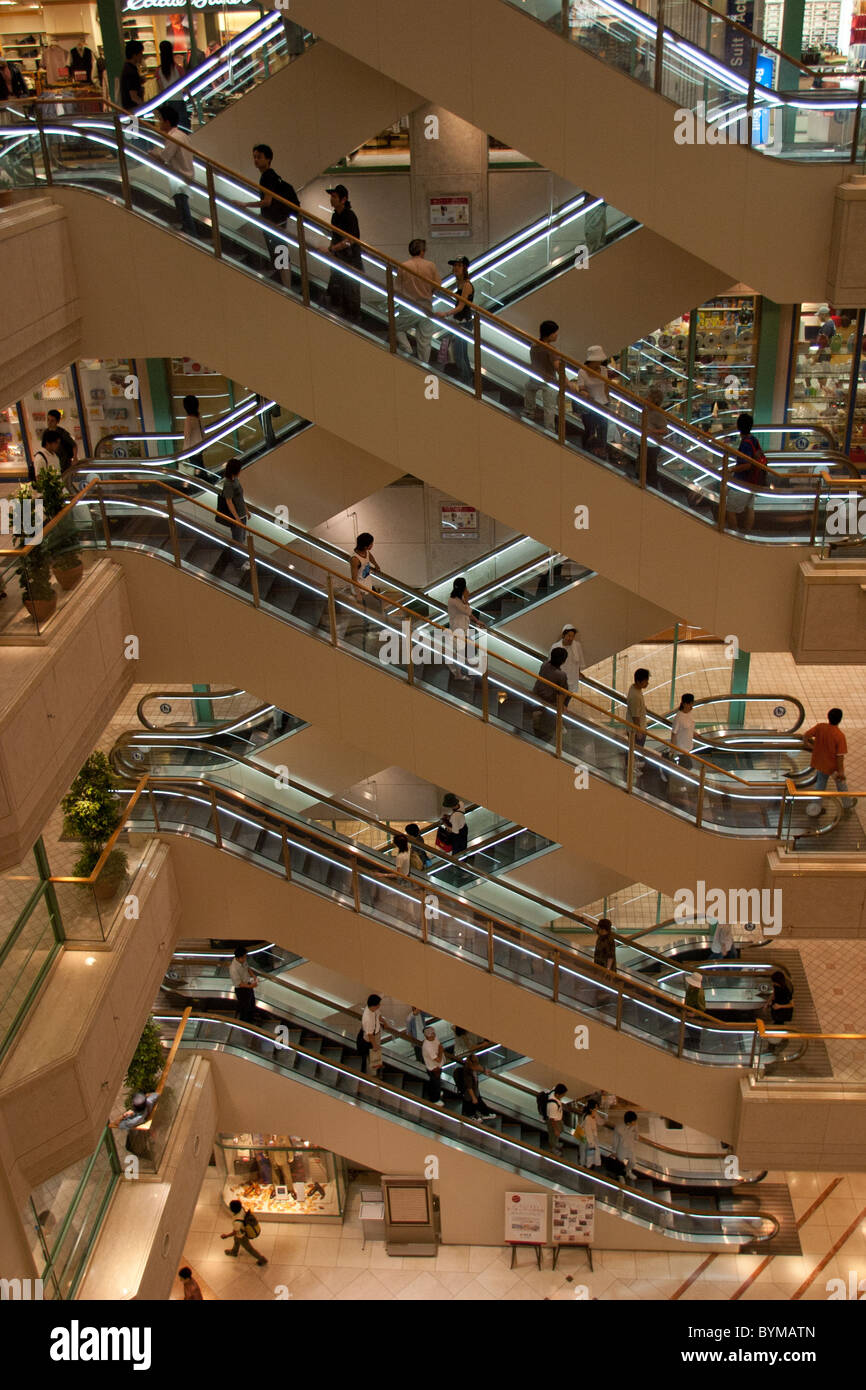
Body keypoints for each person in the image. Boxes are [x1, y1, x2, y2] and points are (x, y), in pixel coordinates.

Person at [242, 145, 298, 287]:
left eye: (259, 157)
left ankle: (286, 286)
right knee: (281, 252)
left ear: (268, 159)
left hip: (274, 223)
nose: (256, 160)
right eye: (254, 156)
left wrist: (245, 204)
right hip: (278, 221)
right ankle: (286, 284)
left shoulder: (267, 177)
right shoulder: (272, 176)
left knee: (280, 254)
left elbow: (267, 202)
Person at [395, 238, 440, 362]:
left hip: (408, 306)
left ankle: (407, 349)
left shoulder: (404, 266)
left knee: (397, 328)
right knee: (425, 340)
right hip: (426, 307)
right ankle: (424, 365)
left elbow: (397, 288)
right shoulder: (430, 266)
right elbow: (437, 285)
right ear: (422, 251)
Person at [803, 707, 854, 815]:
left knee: (820, 785)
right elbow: (840, 756)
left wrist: (809, 745)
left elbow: (806, 735)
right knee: (841, 785)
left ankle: (814, 809)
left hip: (821, 763)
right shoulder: (839, 736)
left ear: (828, 717)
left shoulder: (820, 727)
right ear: (840, 720)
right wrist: (840, 772)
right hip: (833, 767)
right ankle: (847, 804)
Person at [156, 104, 196, 237]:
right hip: (186, 175)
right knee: (183, 207)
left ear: (167, 122)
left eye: (161, 120)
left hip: (179, 177)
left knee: (183, 209)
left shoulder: (173, 137)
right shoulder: (182, 135)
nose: (159, 123)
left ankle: (190, 234)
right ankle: (189, 232)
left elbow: (165, 157)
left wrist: (152, 154)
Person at [326, 183, 362, 322]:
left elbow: (351, 240)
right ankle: (345, 313)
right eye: (331, 196)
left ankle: (353, 316)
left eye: (334, 196)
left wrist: (332, 249)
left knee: (351, 289)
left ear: (343, 199)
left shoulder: (349, 216)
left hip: (351, 259)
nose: (331, 199)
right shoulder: (335, 216)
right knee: (341, 287)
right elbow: (335, 237)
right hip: (340, 258)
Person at [725, 412, 766, 532]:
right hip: (753, 480)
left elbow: (747, 465)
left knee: (730, 509)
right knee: (750, 508)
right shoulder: (753, 440)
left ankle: (734, 533)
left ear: (738, 426)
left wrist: (731, 469)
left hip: (742, 482)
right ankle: (747, 531)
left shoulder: (745, 444)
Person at [524, 319, 561, 432]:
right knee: (549, 408)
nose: (556, 335)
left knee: (529, 388)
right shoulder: (551, 350)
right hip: (549, 381)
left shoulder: (534, 346)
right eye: (555, 333)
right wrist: (567, 382)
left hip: (534, 379)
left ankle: (528, 413)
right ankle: (550, 430)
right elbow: (557, 367)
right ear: (549, 335)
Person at [443, 258, 475, 385]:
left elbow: (461, 306)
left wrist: (445, 313)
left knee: (459, 355)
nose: (456, 268)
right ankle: (468, 381)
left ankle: (467, 382)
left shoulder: (467, 285)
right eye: (455, 265)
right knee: (462, 354)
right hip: (461, 321)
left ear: (465, 268)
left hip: (464, 322)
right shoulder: (460, 283)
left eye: (459, 265)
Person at [576, 345, 611, 455]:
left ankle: (602, 450)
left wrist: (608, 399)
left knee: (603, 427)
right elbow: (581, 388)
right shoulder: (582, 372)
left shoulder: (604, 370)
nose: (600, 362)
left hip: (603, 403)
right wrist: (586, 394)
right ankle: (587, 450)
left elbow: (606, 386)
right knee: (590, 429)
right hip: (590, 405)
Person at [447, 577, 483, 680]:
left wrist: (477, 621)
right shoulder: (453, 601)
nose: (467, 590)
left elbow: (469, 613)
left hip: (464, 630)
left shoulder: (460, 599)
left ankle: (460, 673)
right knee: (465, 652)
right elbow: (466, 611)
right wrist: (467, 599)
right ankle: (458, 673)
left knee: (467, 651)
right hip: (457, 631)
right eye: (465, 587)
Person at [532, 646, 569, 742]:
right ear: (563, 661)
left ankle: (538, 727)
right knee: (548, 721)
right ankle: (552, 730)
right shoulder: (561, 675)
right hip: (549, 700)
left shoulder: (544, 665)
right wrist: (564, 704)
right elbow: (564, 691)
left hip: (537, 693)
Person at [221, 1199, 268, 1265]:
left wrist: (226, 1236)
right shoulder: (242, 1209)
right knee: (236, 1240)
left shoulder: (237, 1222)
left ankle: (262, 1259)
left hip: (242, 1236)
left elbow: (235, 1232)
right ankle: (234, 1252)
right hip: (242, 1232)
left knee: (249, 1249)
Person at [644, 381, 668, 489]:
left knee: (650, 466)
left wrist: (651, 431)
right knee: (645, 465)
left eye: (648, 398)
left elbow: (665, 430)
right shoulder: (646, 411)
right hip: (645, 442)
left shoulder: (657, 414)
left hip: (652, 444)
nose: (646, 399)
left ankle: (652, 487)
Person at [221, 458, 248, 549]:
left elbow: (240, 496)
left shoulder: (236, 479)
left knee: (242, 539)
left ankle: (241, 560)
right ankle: (238, 561)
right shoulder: (228, 484)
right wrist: (236, 519)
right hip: (237, 517)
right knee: (238, 542)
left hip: (242, 515)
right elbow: (229, 502)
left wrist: (246, 510)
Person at [460, 1053, 495, 1121]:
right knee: (471, 1104)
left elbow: (479, 1067)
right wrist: (473, 1098)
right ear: (472, 1065)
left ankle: (484, 1114)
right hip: (469, 1094)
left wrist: (484, 1070)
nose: (478, 1067)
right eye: (476, 1065)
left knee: (479, 1102)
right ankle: (471, 1116)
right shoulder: (467, 1073)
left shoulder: (473, 1068)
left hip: (475, 1090)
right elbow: (469, 1087)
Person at [553, 624, 585, 696]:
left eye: (573, 636)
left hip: (572, 678)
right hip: (560, 679)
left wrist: (579, 672)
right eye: (569, 636)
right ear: (563, 635)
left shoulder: (577, 646)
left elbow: (580, 660)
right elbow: (552, 664)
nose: (571, 638)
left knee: (567, 698)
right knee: (559, 697)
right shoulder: (556, 646)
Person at [229, 947, 258, 1022]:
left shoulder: (243, 961)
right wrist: (250, 986)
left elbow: (247, 968)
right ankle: (245, 1022)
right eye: (244, 957)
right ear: (239, 958)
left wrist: (253, 976)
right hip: (241, 990)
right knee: (245, 1007)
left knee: (251, 1003)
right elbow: (239, 984)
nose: (245, 959)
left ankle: (251, 1018)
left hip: (247, 985)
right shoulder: (233, 969)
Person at [626, 668, 650, 759]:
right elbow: (635, 716)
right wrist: (639, 731)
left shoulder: (634, 688)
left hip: (635, 729)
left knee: (635, 750)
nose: (647, 683)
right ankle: (633, 768)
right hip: (635, 731)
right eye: (645, 681)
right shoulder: (635, 696)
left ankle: (633, 766)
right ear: (639, 681)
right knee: (636, 751)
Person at [610, 1110, 638, 1181]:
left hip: (630, 1147)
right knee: (619, 1162)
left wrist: (634, 1142)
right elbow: (615, 1140)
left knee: (633, 1162)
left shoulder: (635, 1126)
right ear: (629, 1122)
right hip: (621, 1148)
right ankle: (620, 1176)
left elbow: (636, 1136)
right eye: (633, 1121)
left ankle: (627, 1172)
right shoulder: (619, 1128)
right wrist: (614, 1151)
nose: (635, 1123)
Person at [360, 993, 383, 1076]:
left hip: (375, 1034)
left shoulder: (372, 1009)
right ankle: (373, 1074)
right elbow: (370, 1035)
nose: (379, 1006)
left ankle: (376, 1068)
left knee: (374, 1057)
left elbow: (379, 1015)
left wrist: (384, 1022)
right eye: (378, 1004)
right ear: (374, 1006)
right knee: (373, 1057)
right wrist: (375, 1046)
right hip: (370, 1039)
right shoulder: (368, 1018)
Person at [421, 1026, 445, 1105]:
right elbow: (437, 1059)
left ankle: (435, 1094)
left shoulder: (434, 1039)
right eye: (432, 1034)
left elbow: (439, 1045)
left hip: (437, 1067)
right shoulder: (427, 1046)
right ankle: (435, 1100)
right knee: (436, 1083)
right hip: (433, 1069)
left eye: (434, 1033)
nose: (434, 1034)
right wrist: (441, 1051)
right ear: (428, 1036)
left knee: (434, 1082)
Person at [120, 39, 145, 112]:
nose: (142, 56)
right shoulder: (131, 71)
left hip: (129, 110)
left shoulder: (127, 68)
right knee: (134, 124)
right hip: (133, 110)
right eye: (141, 53)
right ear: (135, 55)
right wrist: (144, 106)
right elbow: (133, 96)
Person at [182, 393, 205, 473]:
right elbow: (202, 432)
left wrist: (184, 454)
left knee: (195, 471)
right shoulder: (198, 417)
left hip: (192, 450)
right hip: (199, 448)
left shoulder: (188, 419)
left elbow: (187, 437)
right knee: (200, 468)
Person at [546, 1082, 568, 1155]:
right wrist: (555, 1129)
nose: (563, 1096)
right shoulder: (552, 1104)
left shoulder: (554, 1092)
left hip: (558, 1120)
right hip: (554, 1122)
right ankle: (553, 1149)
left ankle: (556, 1144)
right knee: (554, 1136)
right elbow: (552, 1119)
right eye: (562, 1095)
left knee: (557, 1134)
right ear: (558, 1094)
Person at [578, 1096, 601, 1168]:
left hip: (584, 1137)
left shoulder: (588, 1116)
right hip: (587, 1139)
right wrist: (591, 1142)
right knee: (587, 1153)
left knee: (584, 1152)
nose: (596, 1110)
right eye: (595, 1108)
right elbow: (588, 1132)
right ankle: (584, 1165)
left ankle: (584, 1164)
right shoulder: (588, 1118)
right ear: (591, 1109)